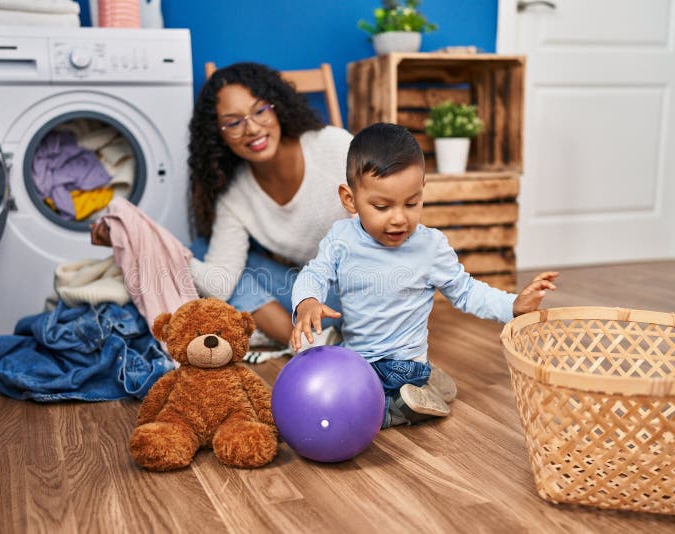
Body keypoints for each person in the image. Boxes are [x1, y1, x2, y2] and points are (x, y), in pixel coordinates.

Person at [291, 123, 558, 428]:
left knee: (348, 413)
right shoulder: (341, 238)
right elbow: (315, 273)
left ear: (422, 191)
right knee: (324, 365)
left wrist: (514, 305)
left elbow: (467, 291)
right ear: (349, 199)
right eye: (381, 206)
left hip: (401, 365)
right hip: (359, 358)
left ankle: (405, 401)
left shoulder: (430, 247)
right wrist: (308, 300)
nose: (399, 218)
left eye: (412, 203)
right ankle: (420, 388)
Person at [93, 62, 352, 348]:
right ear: (218, 135)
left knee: (206, 254)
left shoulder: (332, 146)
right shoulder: (236, 195)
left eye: (260, 110)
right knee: (203, 253)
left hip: (374, 291)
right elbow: (221, 285)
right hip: (315, 301)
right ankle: (313, 346)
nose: (252, 128)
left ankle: (309, 345)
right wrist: (145, 239)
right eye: (233, 122)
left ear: (276, 106)